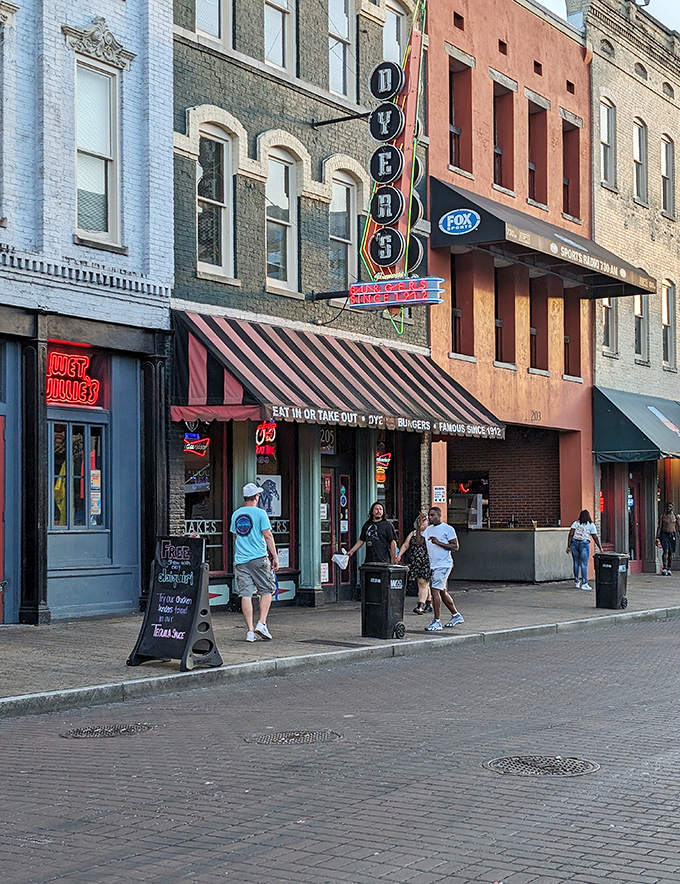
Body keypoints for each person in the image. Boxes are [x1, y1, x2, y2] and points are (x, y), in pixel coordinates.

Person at [230, 482, 279, 642]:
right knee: (267, 590)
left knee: (246, 594)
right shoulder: (260, 513)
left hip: (241, 560)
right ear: (256, 497)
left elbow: (236, 535)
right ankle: (262, 623)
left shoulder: (236, 514)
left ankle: (250, 631)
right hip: (258, 557)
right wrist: (275, 556)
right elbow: (268, 535)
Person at [422, 506, 463, 631]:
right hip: (434, 564)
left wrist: (438, 542)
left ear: (439, 516)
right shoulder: (428, 529)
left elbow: (455, 547)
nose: (430, 517)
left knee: (434, 591)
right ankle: (456, 615)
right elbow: (419, 541)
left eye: (433, 515)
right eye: (429, 515)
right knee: (442, 592)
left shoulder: (447, 529)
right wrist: (420, 526)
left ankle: (437, 621)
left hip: (444, 564)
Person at [396, 512, 433, 615]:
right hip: (416, 562)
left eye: (424, 520)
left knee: (422, 583)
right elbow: (406, 545)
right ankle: (429, 604)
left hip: (427, 561)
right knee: (424, 583)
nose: (422, 522)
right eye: (420, 520)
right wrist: (399, 555)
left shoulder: (430, 533)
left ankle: (420, 605)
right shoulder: (413, 533)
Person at [566, 509, 602, 590]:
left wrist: (568, 546)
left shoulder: (576, 523)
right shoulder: (591, 525)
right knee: (584, 564)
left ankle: (576, 581)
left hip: (574, 543)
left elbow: (571, 534)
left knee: (576, 562)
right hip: (584, 543)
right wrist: (600, 547)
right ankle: (584, 583)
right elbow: (595, 537)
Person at [656, 501, 680, 575]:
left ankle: (669, 568)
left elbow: (678, 527)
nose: (669, 508)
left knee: (671, 552)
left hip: (672, 534)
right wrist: (657, 537)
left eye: (670, 507)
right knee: (665, 550)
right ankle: (664, 567)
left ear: (672, 507)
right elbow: (659, 527)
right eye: (667, 507)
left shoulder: (676, 516)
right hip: (664, 534)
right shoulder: (663, 516)